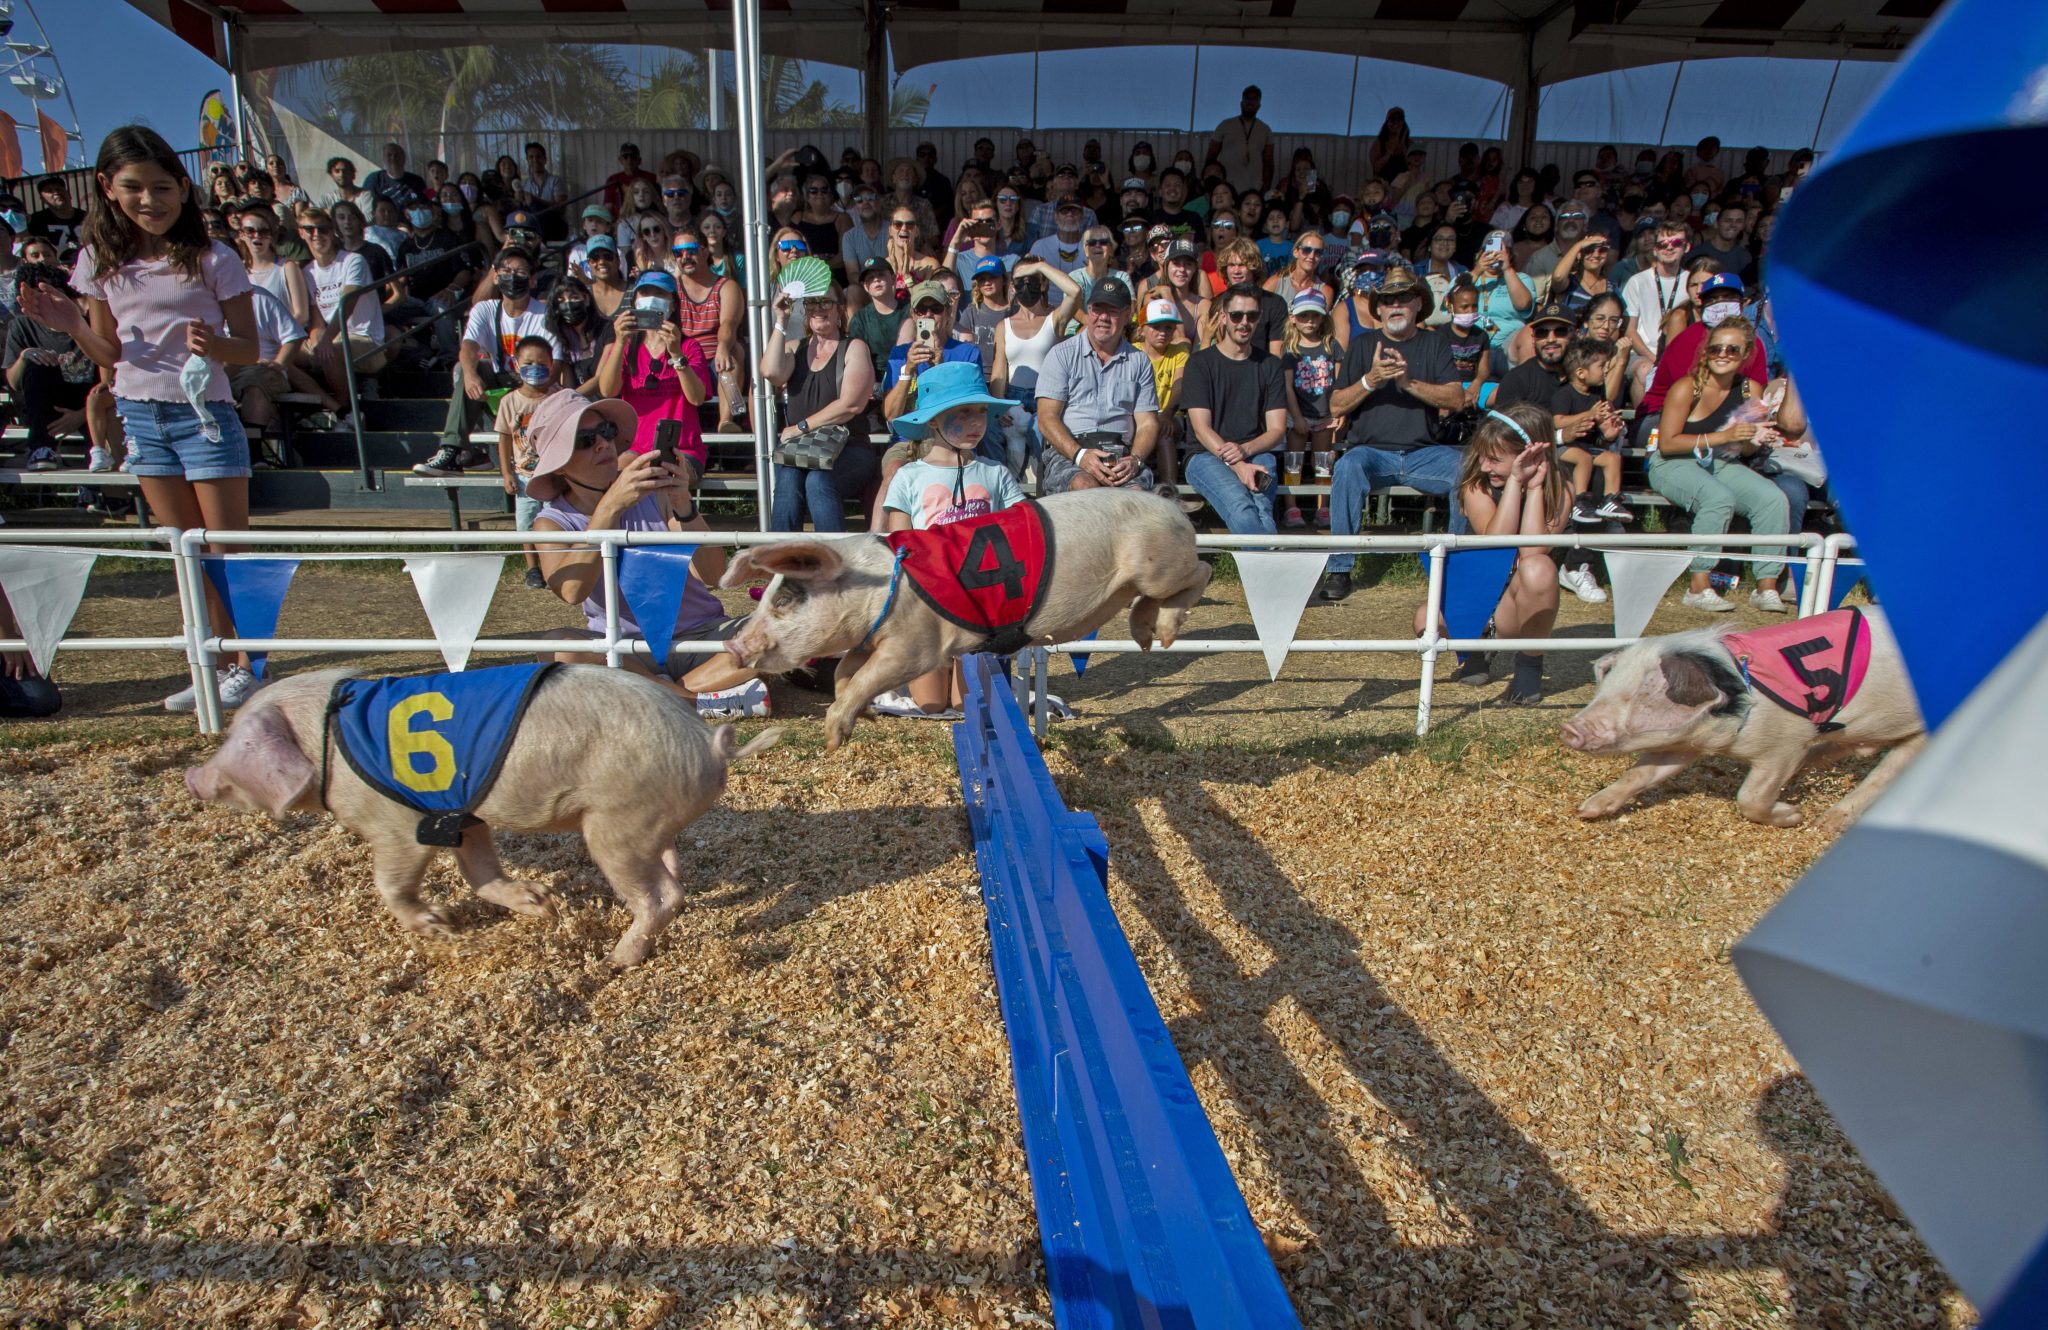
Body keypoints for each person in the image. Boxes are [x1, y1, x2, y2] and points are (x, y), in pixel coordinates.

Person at [24, 126, 263, 710]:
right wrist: (72, 325)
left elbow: (251, 348)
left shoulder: (214, 257)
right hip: (140, 417)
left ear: (183, 188)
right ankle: (211, 667)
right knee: (184, 552)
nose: (149, 200)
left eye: (162, 187)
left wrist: (214, 345)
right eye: (134, 187)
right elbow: (109, 354)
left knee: (226, 552)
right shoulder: (97, 261)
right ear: (107, 187)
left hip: (205, 416)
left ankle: (249, 664)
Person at [527, 392, 761, 710]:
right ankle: (697, 700)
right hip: (625, 648)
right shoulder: (551, 522)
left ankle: (662, 694)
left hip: (702, 635)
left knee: (780, 627)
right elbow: (570, 590)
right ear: (559, 466)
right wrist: (610, 507)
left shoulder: (655, 492)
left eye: (606, 431)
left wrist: (683, 504)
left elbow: (714, 574)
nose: (603, 443)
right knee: (557, 647)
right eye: (584, 440)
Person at [873, 362, 1027, 717]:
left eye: (981, 411)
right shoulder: (908, 477)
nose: (976, 422)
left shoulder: (996, 473)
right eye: (963, 412)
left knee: (966, 706)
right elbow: (901, 547)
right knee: (930, 705)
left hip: (981, 608)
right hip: (928, 605)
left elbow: (1020, 531)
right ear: (932, 420)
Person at [1317, 268, 1464, 602]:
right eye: (1388, 300)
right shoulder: (1362, 345)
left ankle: (1458, 567)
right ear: (1379, 308)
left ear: (1419, 303)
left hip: (1424, 453)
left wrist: (1408, 383)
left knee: (1468, 469)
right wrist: (1370, 380)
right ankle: (1339, 568)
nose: (1395, 305)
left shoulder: (1434, 343)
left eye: (1404, 297)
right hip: (1371, 452)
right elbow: (1336, 405)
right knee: (1347, 467)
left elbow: (1457, 398)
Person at [1650, 315, 1793, 614]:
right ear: (1706, 351)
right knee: (1718, 498)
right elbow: (1668, 444)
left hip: (1721, 461)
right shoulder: (1686, 387)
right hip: (1673, 463)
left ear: (1746, 354)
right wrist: (1725, 436)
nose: (1722, 355)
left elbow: (1745, 449)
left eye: (1732, 350)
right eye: (1716, 349)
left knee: (1773, 499)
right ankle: (1698, 586)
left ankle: (1766, 586)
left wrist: (1754, 437)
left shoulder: (1751, 390)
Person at [1437, 402, 1571, 704]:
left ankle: (1529, 664)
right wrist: (1514, 482)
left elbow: (1533, 550)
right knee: (1426, 620)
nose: (1485, 466)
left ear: (1529, 454)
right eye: (1483, 457)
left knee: (1539, 567)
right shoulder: (1477, 486)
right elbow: (1495, 546)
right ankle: (1479, 647)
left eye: (1495, 459)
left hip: (1519, 601)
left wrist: (1533, 488)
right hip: (1479, 600)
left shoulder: (1561, 490)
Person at [416, 246, 562, 477]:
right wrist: (470, 375)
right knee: (465, 370)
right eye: (506, 272)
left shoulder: (544, 313)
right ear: (495, 276)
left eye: (520, 273)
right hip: (498, 390)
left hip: (533, 389)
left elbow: (555, 365)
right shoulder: (485, 309)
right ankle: (454, 450)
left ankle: (477, 450)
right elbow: (468, 346)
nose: (513, 278)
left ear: (533, 280)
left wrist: (523, 395)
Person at [759, 285, 878, 533]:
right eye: (812, 303)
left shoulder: (854, 347)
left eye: (826, 302)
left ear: (839, 309)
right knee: (788, 480)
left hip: (850, 447)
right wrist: (781, 320)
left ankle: (832, 555)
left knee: (818, 480)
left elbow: (851, 404)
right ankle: (782, 553)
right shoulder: (795, 347)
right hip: (801, 448)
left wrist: (802, 427)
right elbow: (770, 372)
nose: (818, 309)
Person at [1034, 276, 1161, 495]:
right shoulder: (1061, 355)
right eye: (1097, 309)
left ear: (1127, 314)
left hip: (1121, 453)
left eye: (1112, 311)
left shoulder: (1139, 361)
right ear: (1089, 310)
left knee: (1137, 495)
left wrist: (1135, 459)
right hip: (1070, 452)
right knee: (1085, 486)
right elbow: (1046, 418)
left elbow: (1147, 423)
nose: (1103, 317)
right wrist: (1080, 455)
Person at [1180, 284, 1291, 534]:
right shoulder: (1199, 363)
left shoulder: (1270, 365)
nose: (1244, 322)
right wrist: (1239, 465)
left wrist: (1245, 450)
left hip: (1255, 451)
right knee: (1243, 507)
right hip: (1205, 454)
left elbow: (1277, 430)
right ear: (1223, 317)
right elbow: (1201, 430)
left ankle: (1264, 557)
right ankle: (1272, 556)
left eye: (1252, 316)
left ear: (1259, 319)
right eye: (1236, 315)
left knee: (1261, 507)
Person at [594, 269, 709, 478]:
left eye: (660, 293)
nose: (651, 298)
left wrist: (676, 353)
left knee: (655, 473)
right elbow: (607, 390)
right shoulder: (627, 348)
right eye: (645, 292)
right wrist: (619, 341)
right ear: (635, 301)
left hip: (682, 448)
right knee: (612, 476)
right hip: (636, 448)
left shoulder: (689, 347)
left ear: (673, 304)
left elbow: (696, 398)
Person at [1640, 272, 1767, 436]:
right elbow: (1689, 397)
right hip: (1661, 415)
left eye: (1727, 298)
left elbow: (1755, 392)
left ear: (1743, 303)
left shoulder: (1753, 343)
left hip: (1724, 415)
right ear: (1702, 305)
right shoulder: (1686, 340)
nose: (1720, 303)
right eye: (1713, 299)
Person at [296, 205, 385, 415]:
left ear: (332, 231)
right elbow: (317, 322)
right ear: (301, 233)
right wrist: (318, 341)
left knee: (332, 351)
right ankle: (331, 408)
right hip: (331, 337)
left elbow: (347, 304)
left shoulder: (353, 261)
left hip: (365, 338)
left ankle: (348, 413)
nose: (317, 234)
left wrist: (326, 340)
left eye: (323, 229)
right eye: (310, 229)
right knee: (283, 356)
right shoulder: (307, 272)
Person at [494, 334, 560, 589]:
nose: (535, 368)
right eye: (528, 363)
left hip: (553, 475)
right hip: (523, 477)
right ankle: (532, 568)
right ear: (516, 364)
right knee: (525, 523)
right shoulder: (509, 402)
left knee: (554, 521)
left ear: (552, 366)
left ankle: (553, 565)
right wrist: (506, 473)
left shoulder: (559, 398)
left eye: (542, 363)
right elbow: (503, 439)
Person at [667, 227, 745, 435]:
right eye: (678, 253)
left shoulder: (725, 285)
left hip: (714, 357)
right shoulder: (671, 288)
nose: (685, 257)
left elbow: (728, 323)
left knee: (732, 354)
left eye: (691, 250)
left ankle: (726, 422)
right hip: (685, 357)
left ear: (704, 250)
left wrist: (723, 346)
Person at [1281, 289, 1343, 528]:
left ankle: (1323, 507)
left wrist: (1338, 412)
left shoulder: (1331, 345)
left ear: (1323, 318)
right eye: (1303, 315)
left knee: (1323, 462)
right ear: (1293, 318)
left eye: (1315, 316)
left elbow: (1339, 383)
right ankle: (1291, 506)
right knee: (1293, 461)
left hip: (1325, 414)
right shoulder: (1291, 349)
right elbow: (1287, 387)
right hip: (1298, 412)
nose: (1309, 321)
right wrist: (1297, 417)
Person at [1621, 221, 1692, 399]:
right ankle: (1644, 416)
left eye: (1676, 243)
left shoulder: (1693, 282)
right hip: (1642, 354)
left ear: (1687, 247)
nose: (1669, 247)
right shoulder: (1637, 282)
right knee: (1645, 371)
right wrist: (1655, 359)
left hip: (1682, 354)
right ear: (1654, 250)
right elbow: (1629, 330)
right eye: (1662, 244)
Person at [1207, 85, 1274, 196]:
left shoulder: (1265, 129)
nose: (1250, 102)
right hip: (1226, 188)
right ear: (1241, 103)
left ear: (1259, 105)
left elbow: (1268, 163)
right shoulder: (1225, 125)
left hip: (1255, 189)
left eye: (1254, 99)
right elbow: (1211, 157)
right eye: (1247, 98)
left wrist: (1266, 189)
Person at [545, 275, 611, 389]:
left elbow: (600, 378)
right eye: (561, 301)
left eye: (574, 298)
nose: (568, 304)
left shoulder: (607, 329)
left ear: (586, 299)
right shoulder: (562, 337)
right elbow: (568, 384)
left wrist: (572, 397)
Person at [848, 257, 905, 376]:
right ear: (865, 287)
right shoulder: (860, 319)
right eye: (870, 278)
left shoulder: (909, 311)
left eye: (881, 274)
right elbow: (857, 359)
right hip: (875, 379)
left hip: (909, 374)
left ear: (893, 279)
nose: (876, 280)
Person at [1265, 229, 1333, 310]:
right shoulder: (1275, 283)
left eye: (1318, 252)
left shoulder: (1325, 292)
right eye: (1306, 250)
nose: (1312, 256)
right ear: (1295, 252)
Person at [1687, 200, 1754, 275]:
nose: (1733, 225)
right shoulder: (1697, 254)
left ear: (1743, 226)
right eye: (1727, 221)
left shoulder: (1745, 257)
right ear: (1716, 223)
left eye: (1738, 221)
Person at [25, 176, 85, 259]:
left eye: (59, 189)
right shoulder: (37, 221)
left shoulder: (87, 217)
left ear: (68, 193)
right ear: (42, 199)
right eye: (49, 191)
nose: (56, 192)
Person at [1026, 194, 1088, 271]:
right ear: (1056, 217)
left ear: (1082, 217)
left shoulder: (1091, 246)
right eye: (1064, 211)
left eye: (1074, 211)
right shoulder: (1040, 246)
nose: (1069, 214)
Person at [602, 142, 657, 215]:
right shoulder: (612, 179)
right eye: (625, 157)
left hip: (645, 217)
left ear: (639, 160)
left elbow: (658, 202)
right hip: (619, 219)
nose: (629, 160)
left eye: (633, 157)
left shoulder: (651, 178)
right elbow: (608, 206)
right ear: (620, 160)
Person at [1368, 108, 1412, 184]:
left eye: (1399, 119)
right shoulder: (1379, 143)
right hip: (1383, 185)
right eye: (1392, 119)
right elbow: (1376, 168)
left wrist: (1402, 145)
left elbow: (1413, 166)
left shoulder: (1409, 143)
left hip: (1404, 186)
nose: (1395, 123)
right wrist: (1390, 151)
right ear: (1387, 122)